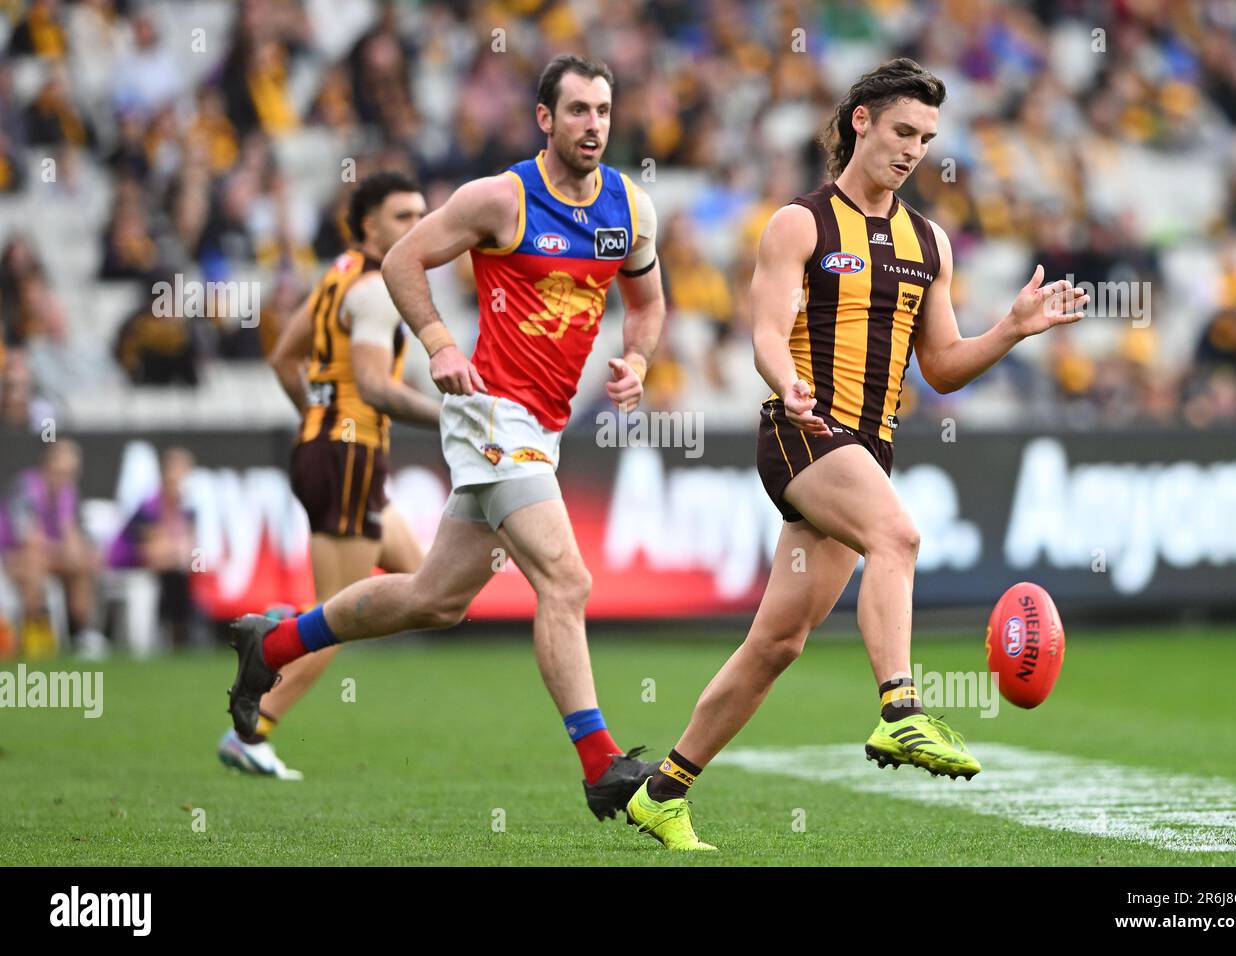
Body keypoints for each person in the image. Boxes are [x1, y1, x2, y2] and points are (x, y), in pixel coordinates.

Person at [625, 58, 1090, 850]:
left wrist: (1010, 330)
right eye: (903, 130)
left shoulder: (929, 242)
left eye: (928, 137)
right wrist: (785, 381)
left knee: (777, 644)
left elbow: (940, 368)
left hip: (868, 448)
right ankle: (901, 711)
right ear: (861, 122)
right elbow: (768, 330)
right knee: (898, 537)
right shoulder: (799, 223)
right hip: (800, 426)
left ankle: (663, 791)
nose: (914, 149)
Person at [223, 54, 668, 821]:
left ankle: (275, 644)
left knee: (435, 599)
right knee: (567, 581)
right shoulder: (499, 198)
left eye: (602, 109)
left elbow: (649, 301)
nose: (593, 124)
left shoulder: (632, 208)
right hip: (492, 414)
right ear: (544, 119)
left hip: (546, 425)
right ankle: (601, 766)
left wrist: (637, 358)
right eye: (577, 111)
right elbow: (402, 260)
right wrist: (438, 342)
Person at [217, 171, 441, 780]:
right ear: (369, 225)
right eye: (403, 217)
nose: (418, 226)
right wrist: (451, 415)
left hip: (334, 450)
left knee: (425, 582)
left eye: (422, 214)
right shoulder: (372, 288)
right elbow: (372, 385)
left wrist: (317, 417)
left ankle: (279, 626)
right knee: (336, 620)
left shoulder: (336, 274)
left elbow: (283, 356)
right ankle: (253, 728)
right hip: (349, 456)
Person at [0, 440, 106, 658]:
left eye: (70, 473)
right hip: (12, 558)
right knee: (34, 561)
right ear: (46, 466)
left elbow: (72, 536)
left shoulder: (69, 494)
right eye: (60, 472)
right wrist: (65, 550)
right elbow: (30, 539)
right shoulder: (26, 488)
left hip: (50, 558)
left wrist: (78, 552)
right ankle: (31, 632)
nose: (65, 478)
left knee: (83, 564)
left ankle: (81, 633)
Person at [107, 446, 200, 649]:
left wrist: (180, 554)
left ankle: (180, 634)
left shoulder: (188, 510)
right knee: (176, 574)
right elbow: (150, 553)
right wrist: (178, 554)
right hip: (128, 567)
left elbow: (193, 550)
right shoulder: (148, 508)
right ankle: (174, 635)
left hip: (167, 570)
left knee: (186, 575)